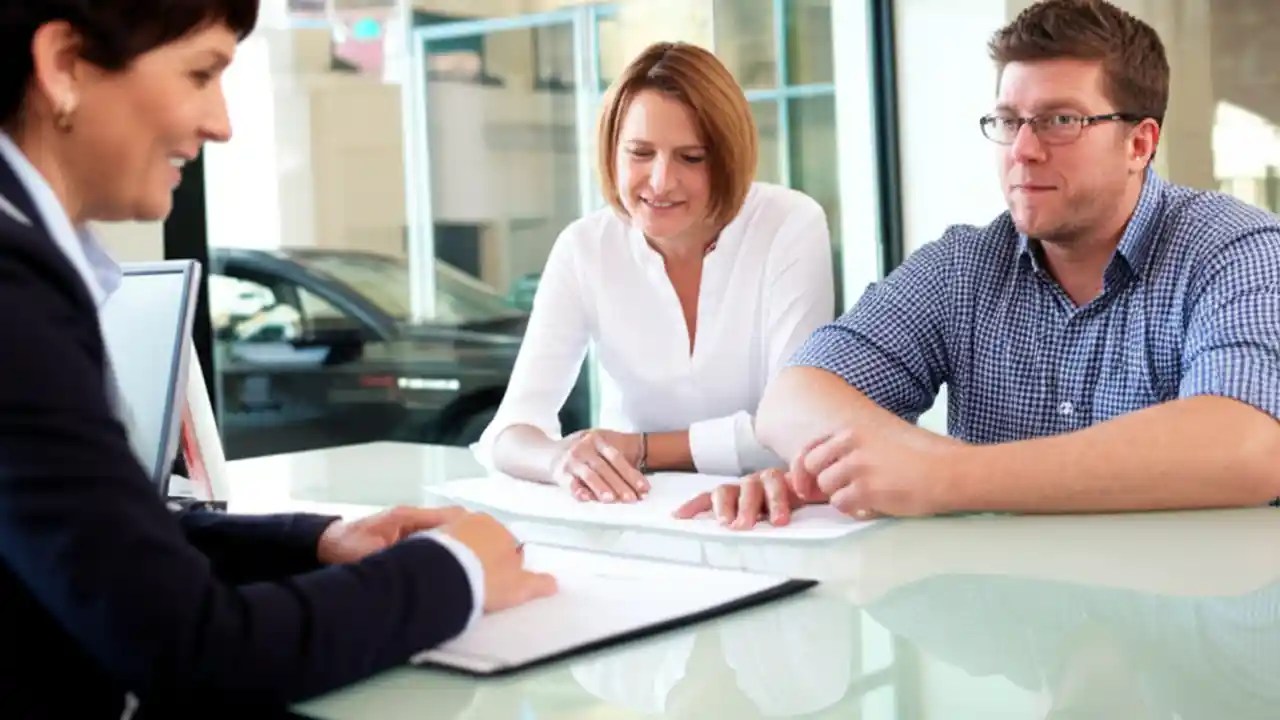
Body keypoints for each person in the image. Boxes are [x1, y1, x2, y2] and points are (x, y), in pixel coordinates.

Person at [0, 1, 555, 716]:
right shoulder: (13, 294)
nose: (221, 123)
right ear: (65, 66)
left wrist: (322, 540)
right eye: (201, 73)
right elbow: (195, 649)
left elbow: (110, 544)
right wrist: (455, 572)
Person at [677, 0, 1280, 529]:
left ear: (1140, 143)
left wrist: (943, 478)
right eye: (1010, 121)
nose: (1023, 149)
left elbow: (1250, 446)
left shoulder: (1234, 247)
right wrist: (859, 471)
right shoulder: (963, 267)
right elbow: (795, 397)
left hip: (1192, 638)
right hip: (1010, 617)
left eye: (1061, 121)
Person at [476, 42, 834, 504]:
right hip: (633, 513)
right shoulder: (585, 246)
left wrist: (638, 448)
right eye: (640, 153)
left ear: (727, 158)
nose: (661, 181)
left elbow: (795, 424)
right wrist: (561, 460)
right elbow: (508, 432)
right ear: (612, 152)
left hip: (767, 511)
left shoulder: (788, 223)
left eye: (691, 157)